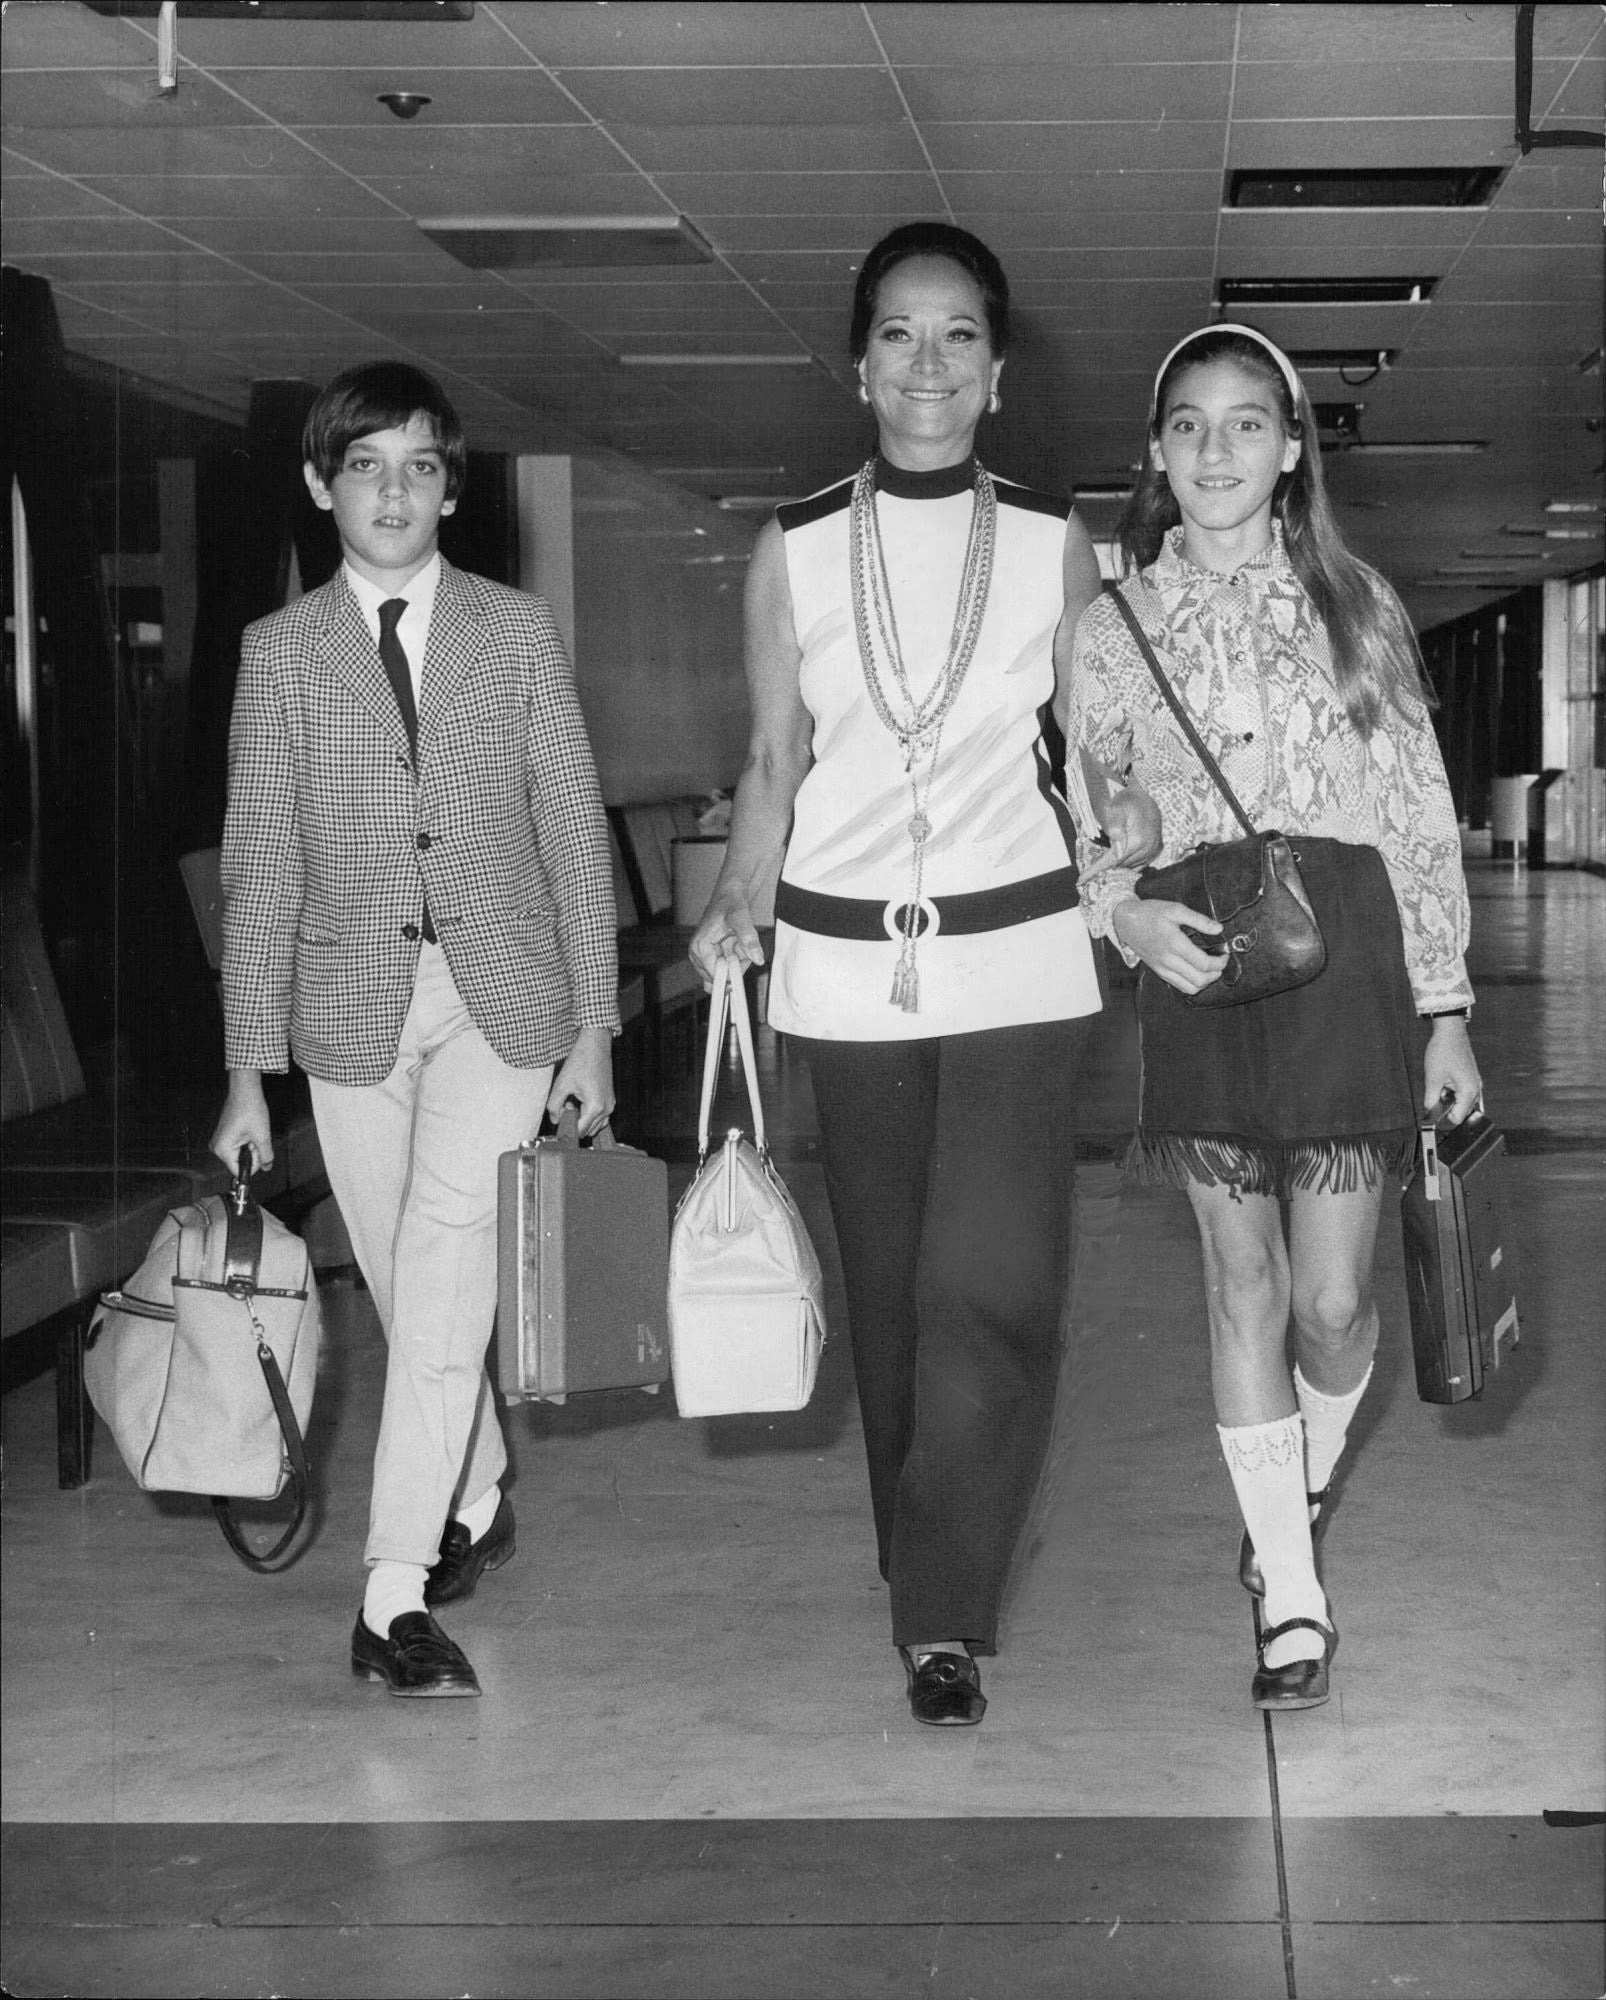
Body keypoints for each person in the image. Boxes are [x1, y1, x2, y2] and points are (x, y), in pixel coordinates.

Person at [689, 222, 1158, 1727]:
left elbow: (1096, 743)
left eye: (959, 337)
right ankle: (927, 1577)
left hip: (1020, 959)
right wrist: (732, 907)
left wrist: (1128, 812)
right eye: (899, 333)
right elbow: (773, 759)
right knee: (891, 1299)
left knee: (994, 1286)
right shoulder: (794, 544)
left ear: (1000, 372)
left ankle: (942, 1614)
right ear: (857, 364)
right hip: (840, 969)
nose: (928, 365)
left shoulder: (1047, 537)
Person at [1065, 323, 1481, 1711]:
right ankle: (1289, 1599)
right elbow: (1096, 818)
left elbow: (1416, 813)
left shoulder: (1355, 603)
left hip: (1345, 953)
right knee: (1237, 1282)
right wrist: (1117, 905)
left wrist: (1446, 1009)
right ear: (1154, 451)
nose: (1213, 452)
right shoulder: (1107, 630)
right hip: (1199, 957)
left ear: (1291, 449)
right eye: (1186, 426)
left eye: (1246, 424)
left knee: (1332, 1300)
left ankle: (1293, 1485)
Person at [211, 361, 618, 1699]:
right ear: (322, 486)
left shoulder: (514, 633)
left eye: (420, 465)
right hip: (346, 1017)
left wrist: (595, 1031)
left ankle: (391, 1598)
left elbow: (569, 835)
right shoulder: (280, 655)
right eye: (365, 464)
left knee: (443, 1287)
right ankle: (476, 1483)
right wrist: (242, 1076)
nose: (394, 489)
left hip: (497, 1004)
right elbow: (260, 865)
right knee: (410, 1289)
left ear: (451, 487)